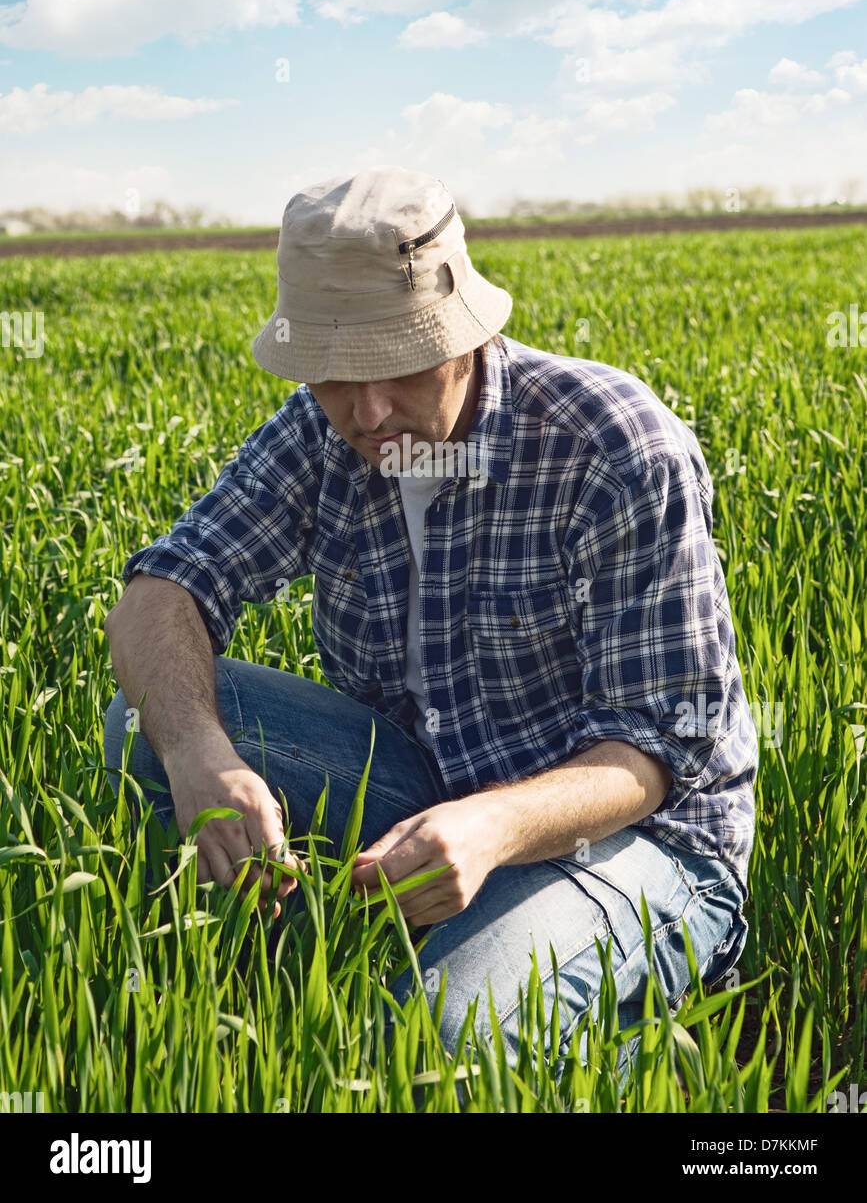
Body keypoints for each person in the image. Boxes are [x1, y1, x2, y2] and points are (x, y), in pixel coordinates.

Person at [102, 165, 756, 1078]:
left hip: (639, 838)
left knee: (425, 1047)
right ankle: (286, 959)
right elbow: (162, 592)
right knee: (150, 721)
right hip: (433, 789)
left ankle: (644, 1045)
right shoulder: (319, 431)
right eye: (334, 375)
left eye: (397, 366)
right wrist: (196, 756)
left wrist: (490, 831)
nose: (367, 414)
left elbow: (648, 752)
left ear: (465, 331)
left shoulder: (610, 444)